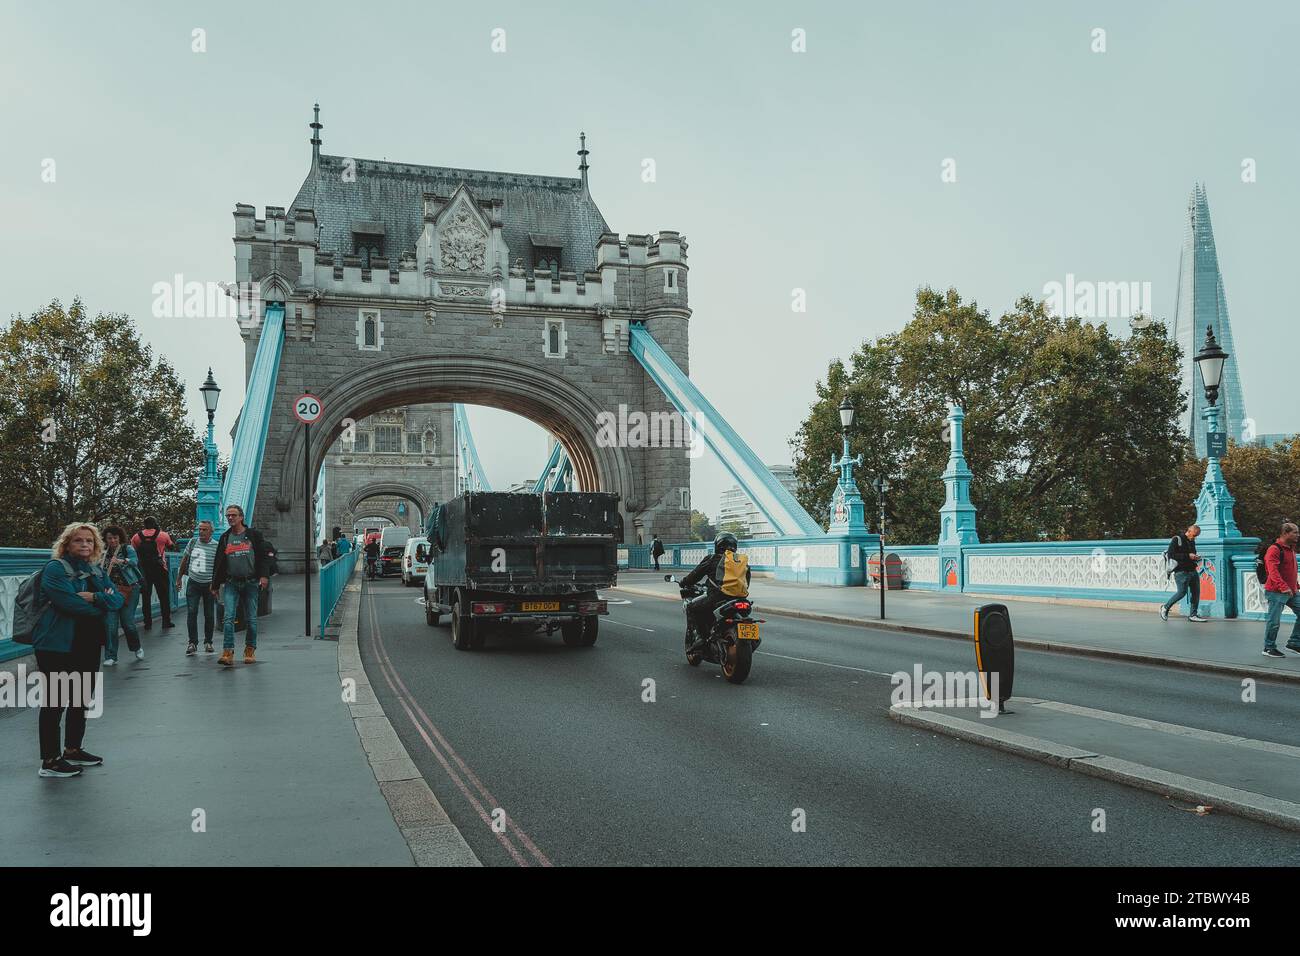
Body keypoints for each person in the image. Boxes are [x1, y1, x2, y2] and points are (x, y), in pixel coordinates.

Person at [32, 522, 123, 778]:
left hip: (88, 642)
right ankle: (49, 761)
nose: (85, 545)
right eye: (78, 541)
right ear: (66, 544)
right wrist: (101, 605)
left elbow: (117, 599)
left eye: (89, 541)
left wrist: (96, 598)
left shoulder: (95, 569)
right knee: (55, 701)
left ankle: (72, 749)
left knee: (81, 699)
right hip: (57, 645)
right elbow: (69, 604)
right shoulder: (55, 569)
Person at [210, 504, 272, 666]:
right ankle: (228, 651)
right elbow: (218, 562)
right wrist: (215, 585)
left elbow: (264, 557)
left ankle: (250, 649)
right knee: (228, 617)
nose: (230, 518)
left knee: (251, 619)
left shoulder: (253, 535)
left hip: (251, 582)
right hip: (231, 582)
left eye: (233, 515)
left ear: (241, 517)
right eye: (228, 516)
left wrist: (264, 576)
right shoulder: (224, 537)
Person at [679, 531, 751, 651]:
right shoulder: (741, 561)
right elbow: (747, 581)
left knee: (692, 608)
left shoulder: (712, 558)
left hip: (717, 597)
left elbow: (695, 575)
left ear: (718, 545)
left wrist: (684, 582)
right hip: (740, 599)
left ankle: (702, 638)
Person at [100, 525, 143, 665]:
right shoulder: (103, 553)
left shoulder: (127, 549)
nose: (112, 540)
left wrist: (121, 561)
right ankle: (111, 656)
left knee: (127, 623)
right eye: (109, 538)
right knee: (110, 624)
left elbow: (134, 562)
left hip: (130, 588)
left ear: (120, 538)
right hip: (112, 591)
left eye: (115, 538)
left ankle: (136, 647)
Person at [177, 520, 219, 655]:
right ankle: (192, 643)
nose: (201, 532)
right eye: (200, 529)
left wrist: (216, 584)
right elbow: (184, 560)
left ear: (211, 532)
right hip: (193, 582)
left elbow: (219, 567)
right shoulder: (193, 542)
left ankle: (208, 642)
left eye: (204, 530)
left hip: (209, 584)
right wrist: (179, 578)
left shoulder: (216, 546)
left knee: (209, 614)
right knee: (192, 612)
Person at [1261, 521, 1300, 658]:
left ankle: (1294, 643)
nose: (1298, 535)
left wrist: (1296, 586)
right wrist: (1283, 587)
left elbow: (1290, 570)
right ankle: (1268, 647)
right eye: (1295, 532)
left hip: (1292, 591)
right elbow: (1273, 571)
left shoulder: (1291, 548)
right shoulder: (1274, 549)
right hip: (1276, 591)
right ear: (1285, 533)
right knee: (1274, 621)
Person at [132, 517, 176, 630]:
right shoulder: (163, 535)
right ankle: (166, 621)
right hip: (160, 568)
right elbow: (171, 546)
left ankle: (147, 623)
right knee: (164, 596)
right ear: (155, 524)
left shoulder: (136, 537)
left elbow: (133, 551)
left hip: (144, 570)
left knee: (146, 596)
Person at [1160, 524, 1207, 623]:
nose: (1194, 538)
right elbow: (1171, 554)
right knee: (1182, 592)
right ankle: (1165, 607)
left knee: (1196, 593)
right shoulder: (1177, 539)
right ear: (1189, 531)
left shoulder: (1192, 541)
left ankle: (1193, 615)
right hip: (1181, 571)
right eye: (1194, 535)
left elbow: (1191, 554)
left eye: (1196, 536)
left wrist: (1195, 557)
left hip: (1192, 570)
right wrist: (1188, 556)